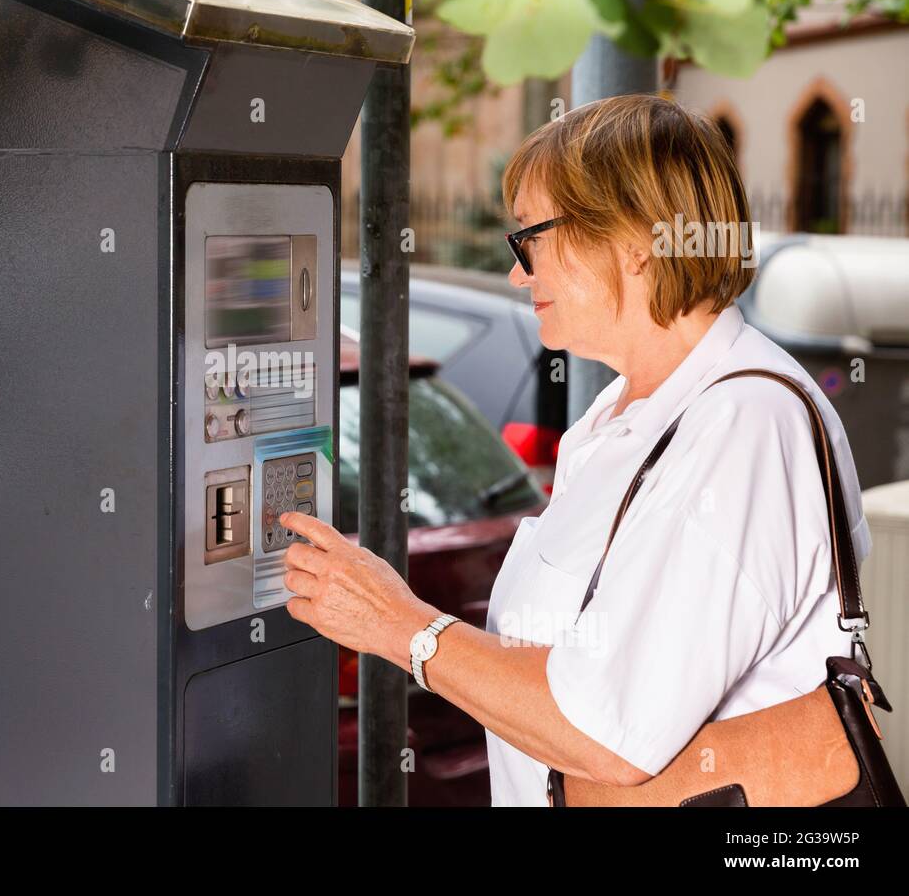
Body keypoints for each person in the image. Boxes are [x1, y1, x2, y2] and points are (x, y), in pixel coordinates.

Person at [279, 93, 871, 805]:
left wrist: (402, 626)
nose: (518, 273)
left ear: (634, 239)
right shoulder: (622, 415)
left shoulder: (745, 421)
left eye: (530, 236)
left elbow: (608, 733)